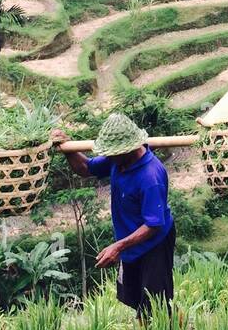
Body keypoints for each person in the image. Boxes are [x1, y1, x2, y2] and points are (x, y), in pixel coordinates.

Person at [51, 113, 175, 319]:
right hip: (130, 240)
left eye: (114, 154)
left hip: (154, 242)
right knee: (135, 297)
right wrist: (67, 147)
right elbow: (85, 168)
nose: (110, 158)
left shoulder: (150, 176)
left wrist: (117, 247)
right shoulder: (118, 160)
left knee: (156, 303)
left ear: (129, 148)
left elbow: (153, 225)